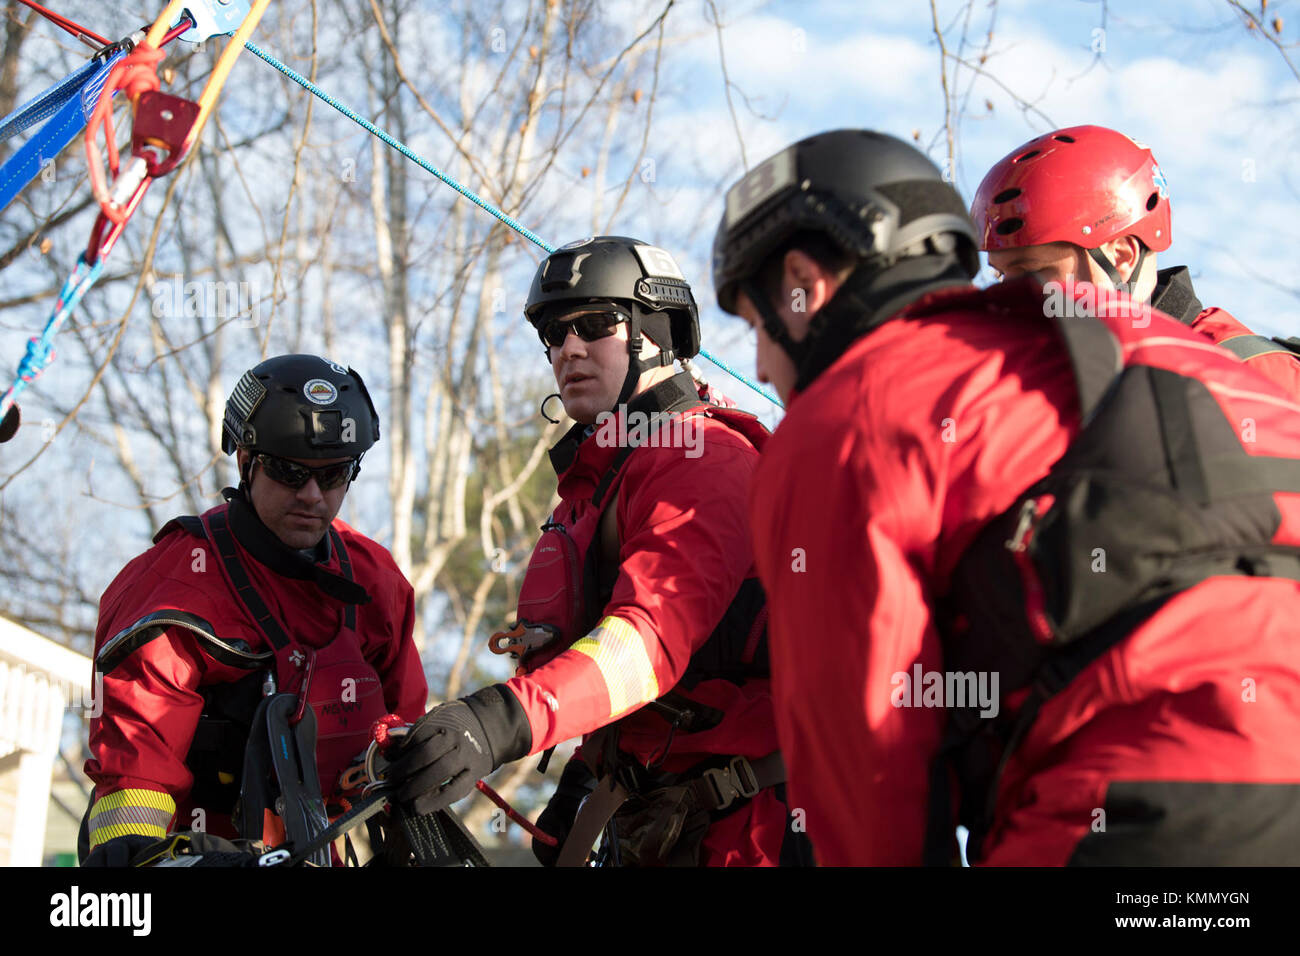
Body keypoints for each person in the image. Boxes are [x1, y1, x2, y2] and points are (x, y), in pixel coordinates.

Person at [712, 128, 1300, 865]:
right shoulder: (1200, 364)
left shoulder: (850, 412)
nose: (761, 365)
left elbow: (868, 768)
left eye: (756, 325)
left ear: (807, 283)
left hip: (1133, 813)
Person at [384, 236, 811, 866]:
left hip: (759, 831)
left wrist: (498, 721)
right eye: (554, 335)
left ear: (655, 332)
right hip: (662, 819)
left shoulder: (704, 458)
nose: (567, 349)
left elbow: (648, 646)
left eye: (592, 325)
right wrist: (585, 782)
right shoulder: (597, 485)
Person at [80, 354, 426, 866]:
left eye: (332, 475)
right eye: (289, 472)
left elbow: (401, 735)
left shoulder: (377, 581)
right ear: (245, 461)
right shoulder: (175, 587)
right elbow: (136, 768)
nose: (312, 496)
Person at [972, 124, 1300, 399]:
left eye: (1033, 272)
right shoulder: (1025, 388)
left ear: (1122, 257)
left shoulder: (1257, 382)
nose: (1011, 297)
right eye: (1001, 276)